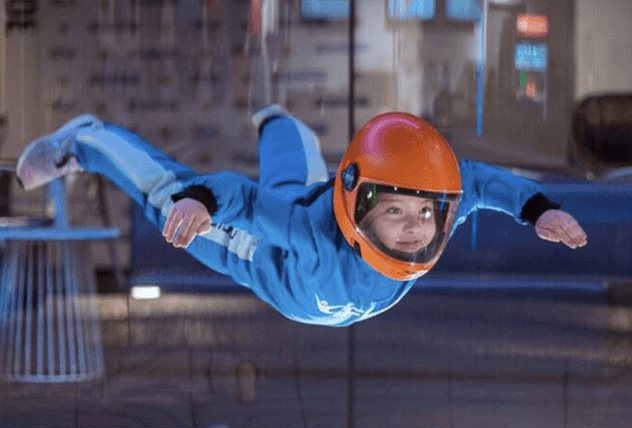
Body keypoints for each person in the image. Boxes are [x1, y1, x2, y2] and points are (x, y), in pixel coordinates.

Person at [16, 106, 588, 326]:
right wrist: (200, 204)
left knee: (290, 188)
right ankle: (88, 140)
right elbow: (243, 200)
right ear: (357, 208)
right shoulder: (310, 237)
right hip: (266, 254)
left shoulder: (436, 218)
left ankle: (280, 124)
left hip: (308, 215)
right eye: (395, 210)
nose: (416, 226)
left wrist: (537, 209)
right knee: (168, 197)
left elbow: (478, 183)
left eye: (424, 211)